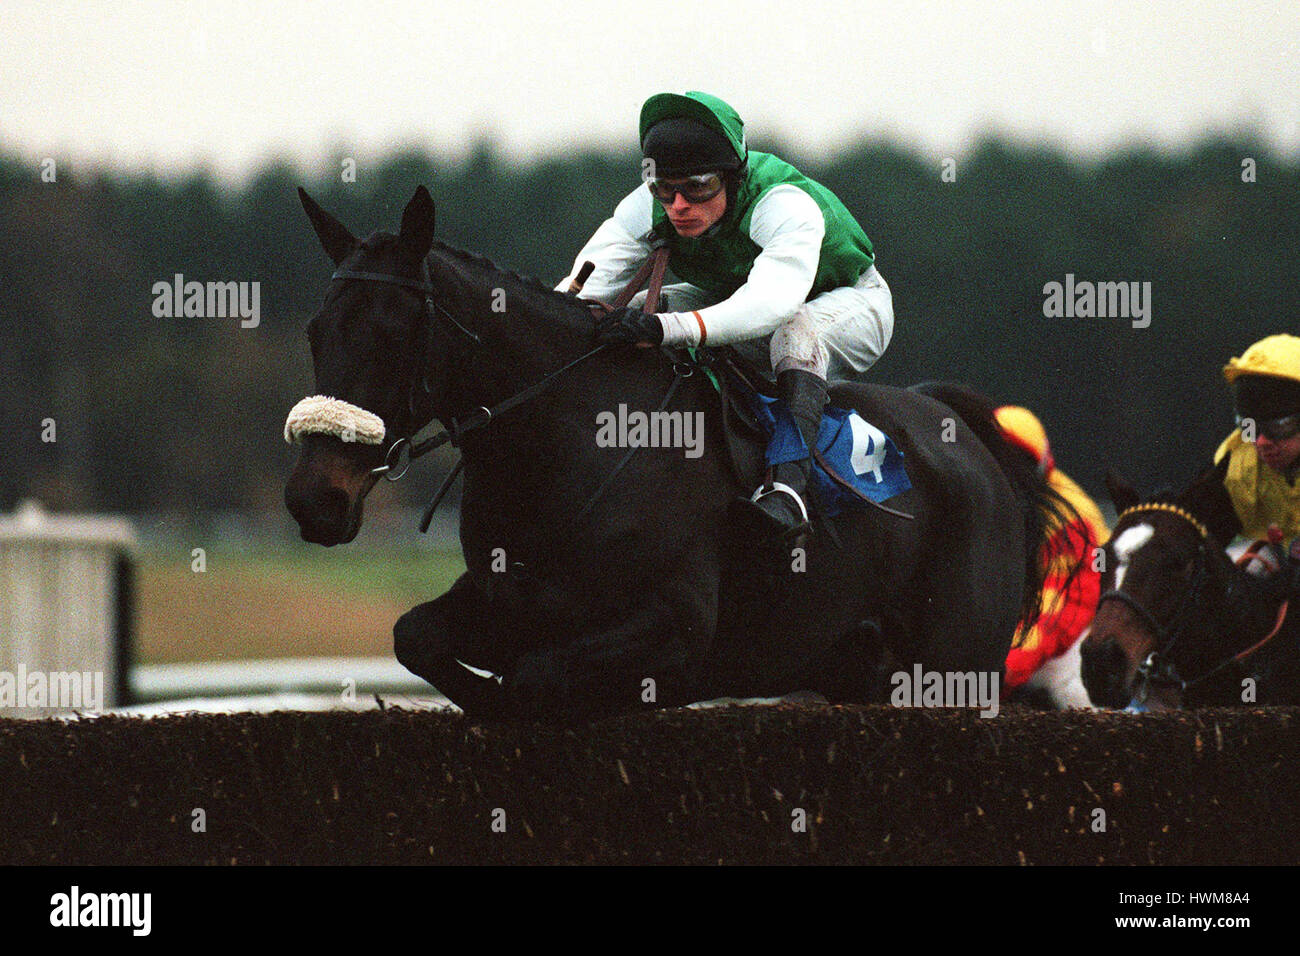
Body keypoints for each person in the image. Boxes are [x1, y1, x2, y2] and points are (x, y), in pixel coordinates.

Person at [558, 91, 893, 540]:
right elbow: (582, 290)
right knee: (626, 313)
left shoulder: (783, 203)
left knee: (793, 334)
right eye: (664, 189)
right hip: (734, 298)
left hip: (850, 302)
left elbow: (771, 305)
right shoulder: (649, 205)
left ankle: (787, 489)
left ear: (732, 178)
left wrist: (666, 329)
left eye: (698, 187)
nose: (678, 205)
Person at [995, 405, 1109, 709]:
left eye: (1017, 465)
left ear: (1042, 466)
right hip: (1022, 626)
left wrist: (996, 676)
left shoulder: (1070, 518)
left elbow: (1058, 614)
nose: (1008, 476)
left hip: (1083, 628)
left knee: (1072, 692)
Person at [1216, 334, 1300, 551]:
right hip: (1274, 553)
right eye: (1249, 428)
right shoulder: (1235, 467)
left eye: (1279, 427)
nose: (1261, 442)